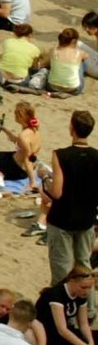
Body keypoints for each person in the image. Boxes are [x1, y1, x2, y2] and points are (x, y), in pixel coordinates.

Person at [49, 110, 98, 285]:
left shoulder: (61, 155)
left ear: (72, 128)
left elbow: (56, 192)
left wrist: (45, 178)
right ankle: (89, 309)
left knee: (61, 268)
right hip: (86, 219)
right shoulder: (96, 156)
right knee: (84, 266)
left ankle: (60, 306)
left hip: (62, 218)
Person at [40, 266, 98, 345]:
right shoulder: (56, 294)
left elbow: (84, 324)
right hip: (51, 336)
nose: (87, 291)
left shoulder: (81, 295)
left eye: (89, 288)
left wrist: (91, 342)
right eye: (83, 287)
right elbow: (62, 330)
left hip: (68, 331)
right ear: (72, 281)